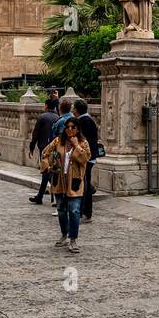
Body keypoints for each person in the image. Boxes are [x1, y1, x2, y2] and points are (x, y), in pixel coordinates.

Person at [39, 117, 91, 253]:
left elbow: (85, 158)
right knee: (61, 210)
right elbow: (45, 153)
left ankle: (73, 239)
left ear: (78, 129)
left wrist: (76, 146)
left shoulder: (83, 143)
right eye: (67, 127)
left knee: (74, 210)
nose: (70, 129)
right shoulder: (58, 141)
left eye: (73, 127)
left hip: (75, 181)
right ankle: (64, 234)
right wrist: (49, 167)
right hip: (59, 180)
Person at [28, 97, 61, 204]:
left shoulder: (42, 117)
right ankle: (43, 196)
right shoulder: (58, 117)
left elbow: (35, 133)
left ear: (46, 106)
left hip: (45, 148)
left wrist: (31, 147)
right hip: (56, 148)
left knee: (46, 172)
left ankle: (46, 196)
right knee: (50, 172)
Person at [73, 98, 100, 222]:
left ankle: (86, 212)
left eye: (74, 109)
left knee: (85, 185)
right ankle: (82, 211)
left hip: (86, 158)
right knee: (84, 183)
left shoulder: (83, 121)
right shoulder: (89, 120)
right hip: (90, 157)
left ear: (77, 110)